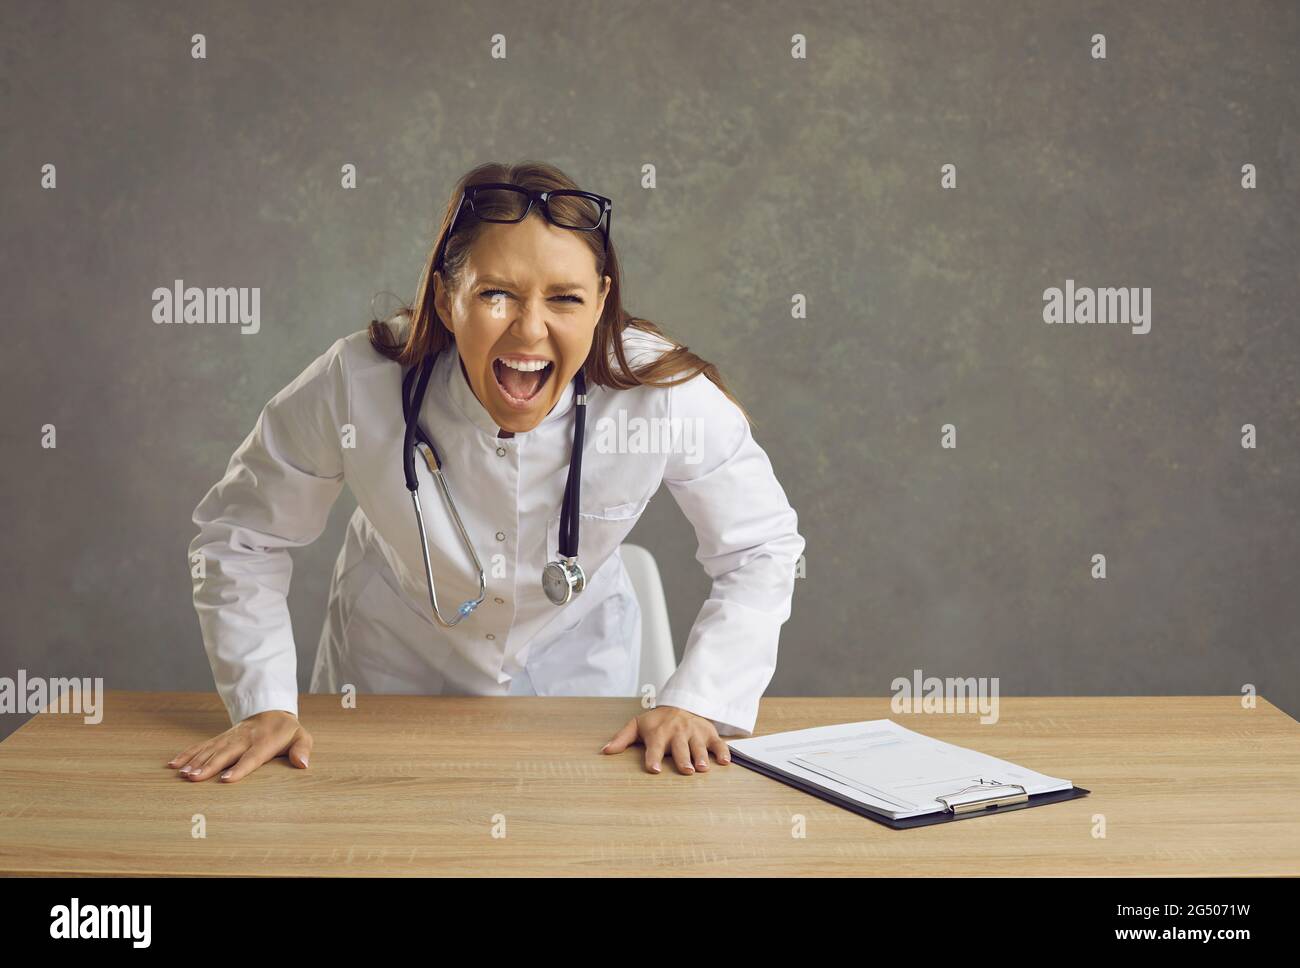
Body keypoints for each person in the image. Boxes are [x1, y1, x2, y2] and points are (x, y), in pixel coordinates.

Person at [170, 160, 805, 783]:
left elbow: (760, 547)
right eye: (496, 294)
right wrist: (263, 703)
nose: (530, 330)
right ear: (447, 300)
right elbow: (242, 536)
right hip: (387, 688)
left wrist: (700, 698)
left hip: (583, 700)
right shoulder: (357, 382)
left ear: (601, 300)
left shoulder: (662, 392)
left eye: (565, 298)